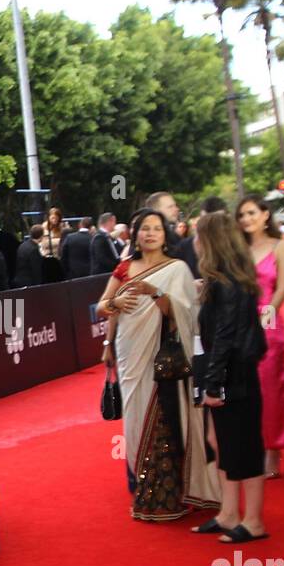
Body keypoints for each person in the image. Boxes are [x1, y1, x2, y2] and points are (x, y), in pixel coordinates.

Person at [96, 209, 219, 521]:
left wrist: (157, 293)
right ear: (135, 235)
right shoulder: (124, 267)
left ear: (165, 235)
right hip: (129, 351)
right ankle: (142, 482)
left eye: (156, 229)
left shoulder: (176, 269)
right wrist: (115, 304)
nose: (150, 234)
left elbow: (182, 313)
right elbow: (100, 307)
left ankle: (167, 493)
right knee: (134, 421)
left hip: (163, 354)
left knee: (164, 413)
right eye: (144, 229)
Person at [191, 212, 268, 543]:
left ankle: (253, 521)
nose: (194, 241)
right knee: (221, 442)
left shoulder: (227, 283)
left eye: (198, 235)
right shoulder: (223, 280)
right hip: (229, 371)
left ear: (210, 241)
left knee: (244, 446)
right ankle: (228, 513)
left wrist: (212, 382)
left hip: (234, 374)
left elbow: (224, 335)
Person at [236, 195, 284, 478]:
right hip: (240, 322)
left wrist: (267, 315)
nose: (246, 219)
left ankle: (274, 449)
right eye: (242, 215)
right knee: (245, 390)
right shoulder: (238, 249)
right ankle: (252, 447)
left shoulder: (280, 246)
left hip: (269, 324)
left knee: (271, 387)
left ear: (265, 215)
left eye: (251, 213)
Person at [178, 195, 227, 278]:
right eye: (206, 220)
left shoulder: (234, 246)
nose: (211, 225)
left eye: (217, 220)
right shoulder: (184, 247)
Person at [90, 212, 121, 277]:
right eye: (114, 222)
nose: (115, 225)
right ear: (110, 221)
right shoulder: (99, 237)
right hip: (102, 275)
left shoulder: (106, 236)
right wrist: (116, 266)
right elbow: (101, 257)